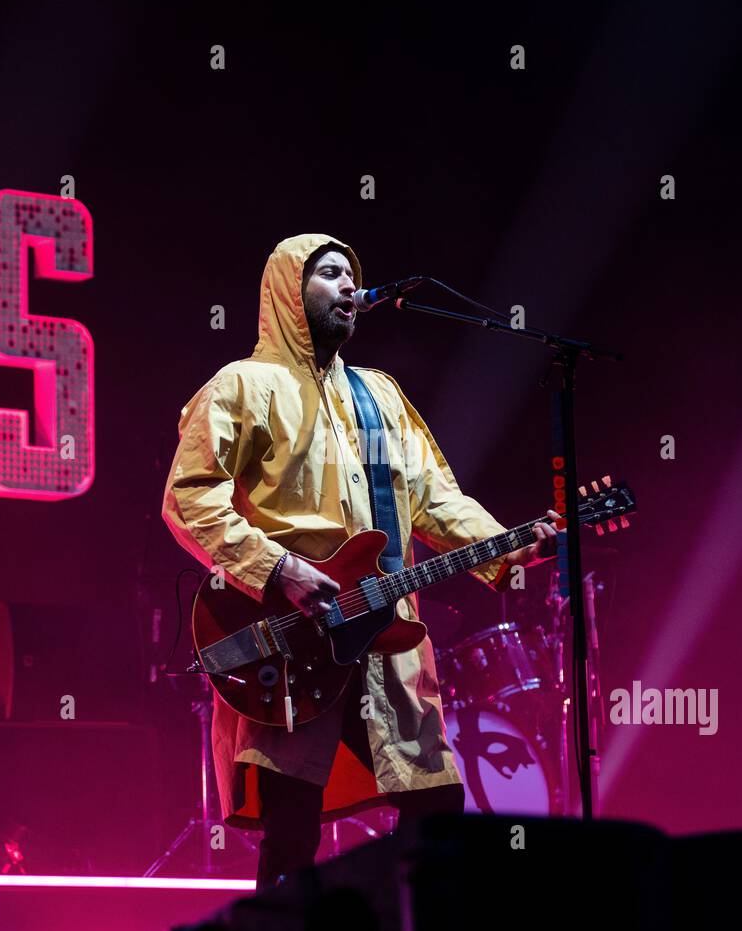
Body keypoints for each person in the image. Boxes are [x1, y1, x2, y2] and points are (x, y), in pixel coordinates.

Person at [162, 233, 558, 887]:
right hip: (289, 641)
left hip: (388, 644)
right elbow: (190, 499)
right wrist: (277, 568)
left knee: (435, 810)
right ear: (289, 291)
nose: (349, 286)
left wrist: (514, 548)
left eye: (353, 276)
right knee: (293, 829)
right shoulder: (241, 386)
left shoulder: (382, 395)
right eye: (329, 274)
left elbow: (435, 502)